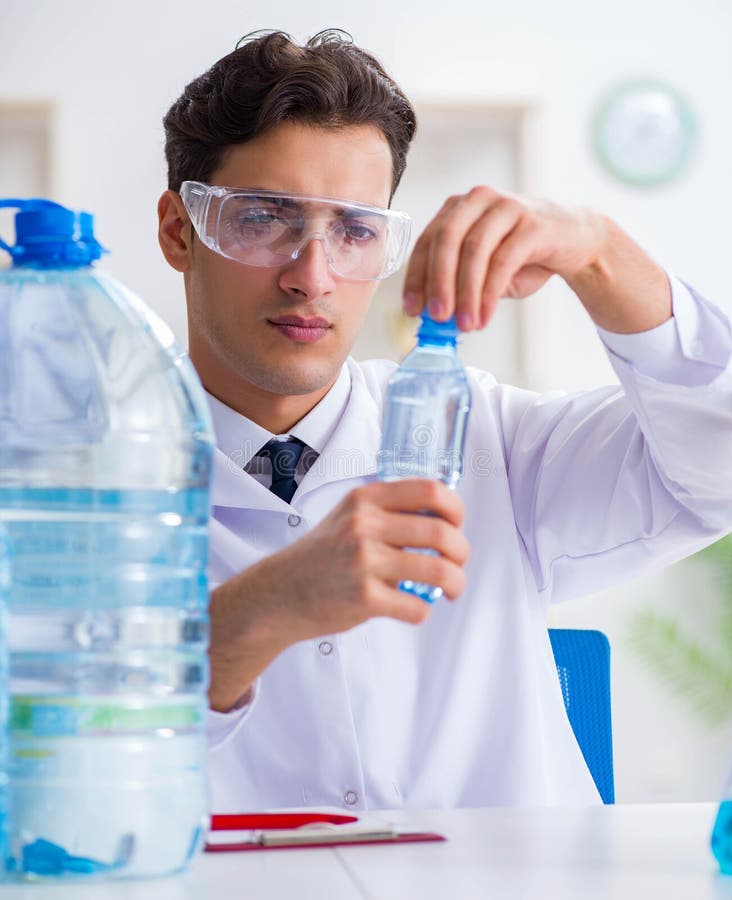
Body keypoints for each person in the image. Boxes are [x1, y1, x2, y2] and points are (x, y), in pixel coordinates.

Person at [157, 29, 732, 811]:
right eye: (264, 218)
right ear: (178, 231)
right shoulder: (72, 494)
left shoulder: (497, 445)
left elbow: (717, 472)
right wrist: (259, 612)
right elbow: (52, 775)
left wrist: (599, 254)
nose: (313, 276)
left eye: (355, 231)